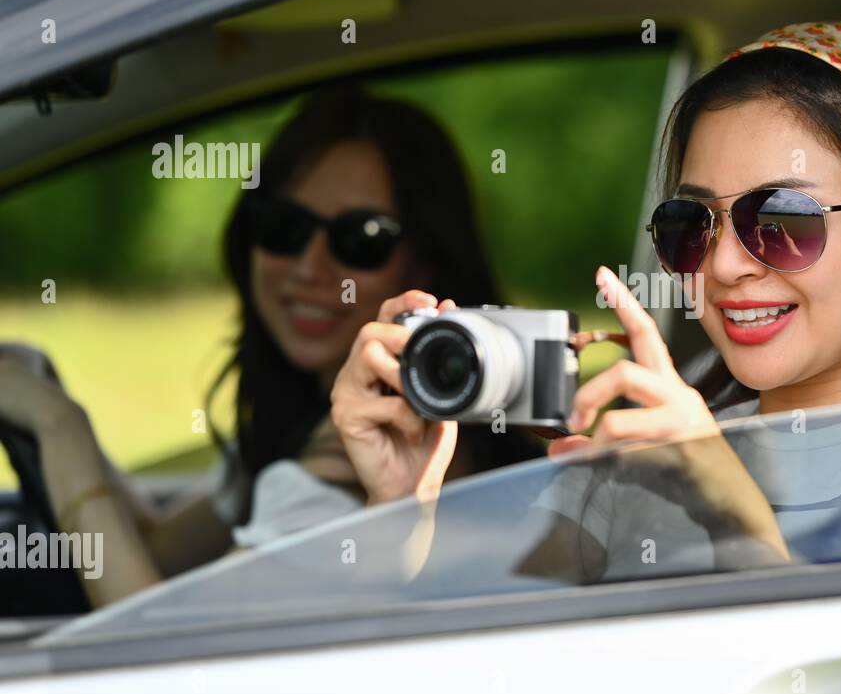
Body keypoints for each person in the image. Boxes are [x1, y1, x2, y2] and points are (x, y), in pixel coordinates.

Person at [330, 20, 841, 583]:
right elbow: (500, 680)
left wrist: (727, 504)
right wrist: (401, 515)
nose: (728, 265)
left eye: (783, 222)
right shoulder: (638, 459)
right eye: (692, 226)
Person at [0, 85, 536, 606]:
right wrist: (41, 383)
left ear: (426, 266)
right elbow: (160, 548)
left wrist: (57, 426)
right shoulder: (302, 420)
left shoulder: (363, 461)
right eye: (285, 227)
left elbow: (155, 638)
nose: (309, 268)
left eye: (361, 240)